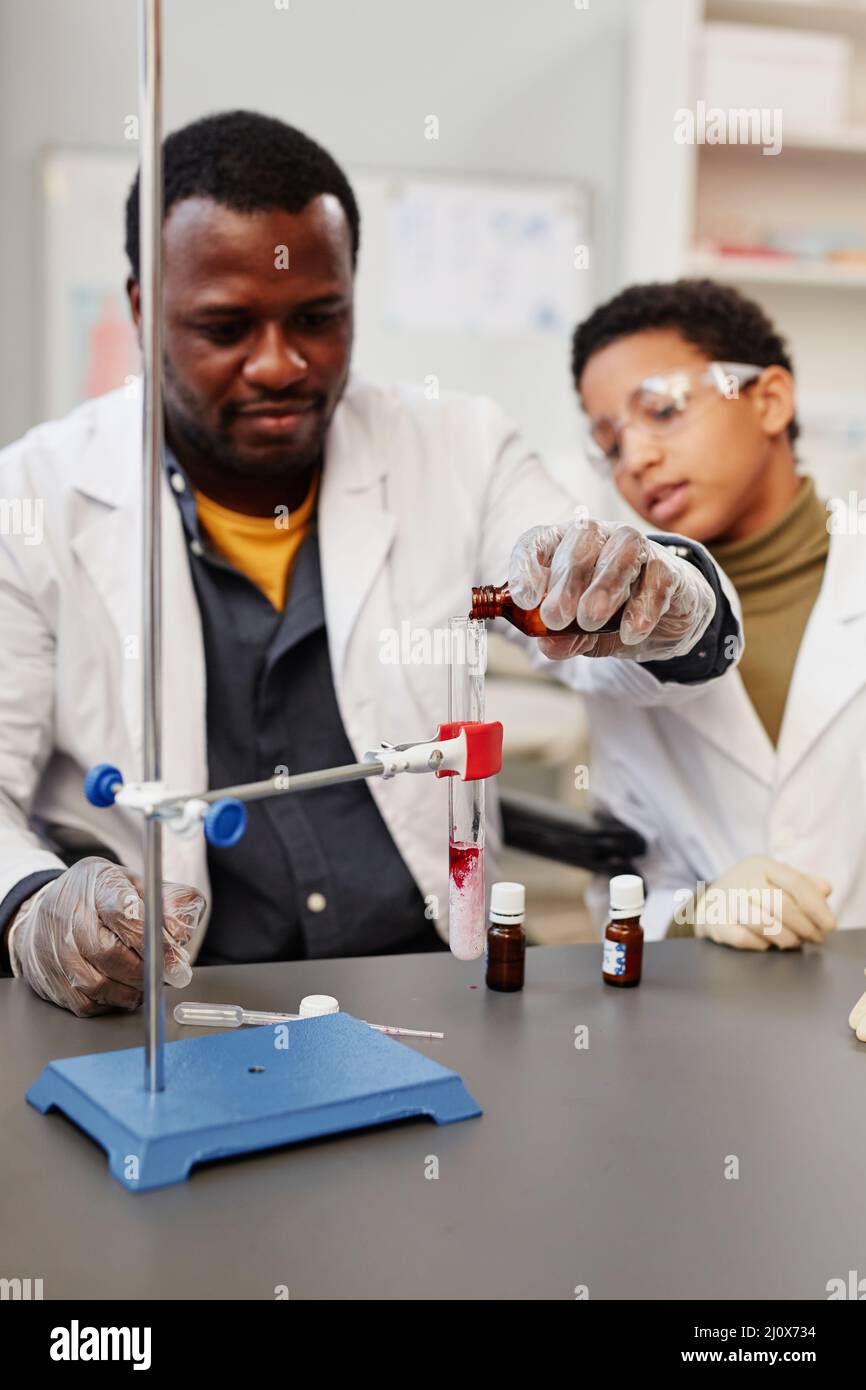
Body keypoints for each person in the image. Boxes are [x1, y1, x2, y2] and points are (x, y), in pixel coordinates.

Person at [0, 114, 740, 1017]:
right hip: (185, 1003)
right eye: (226, 326)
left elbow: (586, 588)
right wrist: (31, 907)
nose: (281, 364)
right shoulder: (34, 498)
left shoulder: (457, 446)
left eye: (318, 318)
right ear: (144, 306)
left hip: (429, 987)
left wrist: (660, 598)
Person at [571, 278, 864, 948]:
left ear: (769, 401)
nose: (637, 458)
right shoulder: (628, 634)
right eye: (612, 443)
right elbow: (618, 887)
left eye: (666, 410)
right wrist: (695, 912)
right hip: (710, 1018)